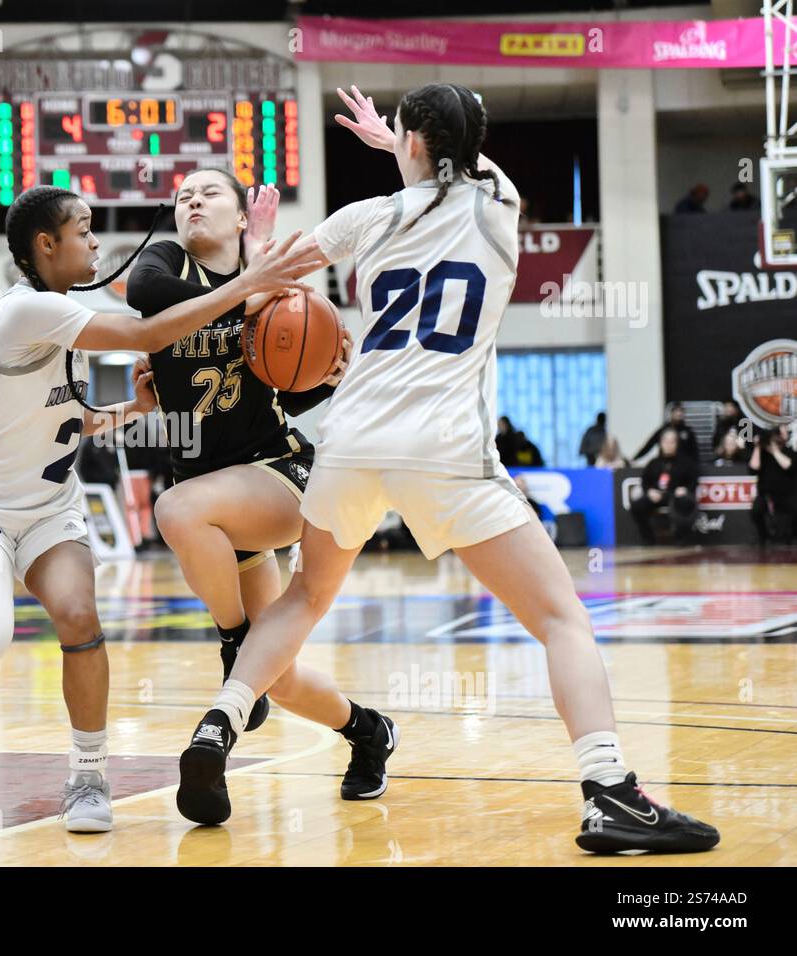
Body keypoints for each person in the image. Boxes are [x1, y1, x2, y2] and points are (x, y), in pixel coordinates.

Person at [173, 83, 718, 854]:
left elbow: (271, 279)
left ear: (414, 144)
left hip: (352, 439)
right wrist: (403, 141)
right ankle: (610, 793)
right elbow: (458, 152)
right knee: (562, 619)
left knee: (303, 596)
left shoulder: (366, 218)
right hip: (444, 448)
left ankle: (219, 721)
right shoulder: (499, 202)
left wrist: (261, 240)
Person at [0, 182, 316, 831]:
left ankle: (87, 778)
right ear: (47, 245)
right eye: (84, 230)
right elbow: (150, 328)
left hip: (50, 510)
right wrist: (252, 279)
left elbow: (69, 420)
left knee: (80, 617)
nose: (98, 242)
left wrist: (134, 412)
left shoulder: (65, 315)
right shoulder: (24, 312)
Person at [126, 168, 387, 769]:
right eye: (184, 195)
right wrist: (251, 284)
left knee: (176, 510)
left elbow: (282, 391)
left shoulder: (281, 294)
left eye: (210, 192)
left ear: (243, 217)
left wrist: (325, 378)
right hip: (212, 491)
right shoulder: (166, 263)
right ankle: (369, 732)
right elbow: (145, 295)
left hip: (276, 470)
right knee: (276, 674)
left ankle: (232, 638)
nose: (193, 200)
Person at [630, 429, 699, 544]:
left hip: (675, 496)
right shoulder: (654, 463)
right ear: (661, 444)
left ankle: (681, 539)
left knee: (685, 502)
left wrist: (685, 489)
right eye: (665, 442)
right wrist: (649, 491)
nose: (668, 445)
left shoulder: (686, 463)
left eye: (672, 442)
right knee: (637, 506)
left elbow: (694, 480)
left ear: (676, 444)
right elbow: (645, 481)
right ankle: (648, 539)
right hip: (657, 496)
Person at [749, 425, 795, 545]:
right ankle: (762, 536)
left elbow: (789, 467)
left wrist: (775, 451)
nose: (779, 435)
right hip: (765, 495)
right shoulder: (762, 453)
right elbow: (753, 468)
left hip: (787, 496)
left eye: (782, 432)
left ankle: (790, 536)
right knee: (756, 510)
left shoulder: (790, 452)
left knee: (782, 536)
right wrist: (758, 447)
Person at [632, 402, 699, 463]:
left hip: (684, 465)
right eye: (676, 411)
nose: (679, 413)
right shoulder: (664, 430)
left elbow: (694, 451)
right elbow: (648, 446)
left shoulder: (688, 431)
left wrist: (694, 465)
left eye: (681, 411)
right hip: (665, 464)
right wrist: (634, 459)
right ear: (671, 413)